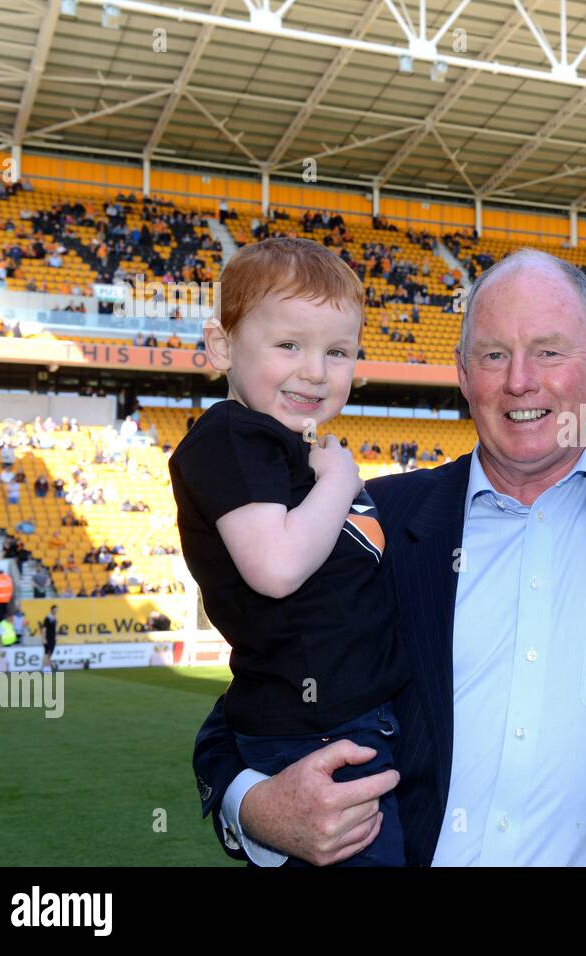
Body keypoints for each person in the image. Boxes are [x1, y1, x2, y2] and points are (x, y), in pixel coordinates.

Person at [193, 248, 586, 867]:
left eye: (549, 351)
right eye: (493, 355)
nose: (519, 380)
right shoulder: (374, 523)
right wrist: (258, 808)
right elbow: (257, 694)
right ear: (461, 371)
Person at [170, 237, 408, 867]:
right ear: (221, 346)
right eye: (289, 345)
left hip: (348, 717)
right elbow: (276, 569)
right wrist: (338, 481)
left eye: (338, 352)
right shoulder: (231, 434)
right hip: (320, 731)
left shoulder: (281, 447)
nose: (316, 370)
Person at [41, 605, 59, 672]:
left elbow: (54, 629)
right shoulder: (48, 618)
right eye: (55, 609)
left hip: (52, 638)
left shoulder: (54, 618)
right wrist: (43, 638)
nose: (56, 611)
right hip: (48, 638)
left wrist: (56, 636)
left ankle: (47, 667)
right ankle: (44, 667)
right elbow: (44, 629)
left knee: (50, 653)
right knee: (47, 653)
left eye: (56, 609)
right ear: (52, 610)